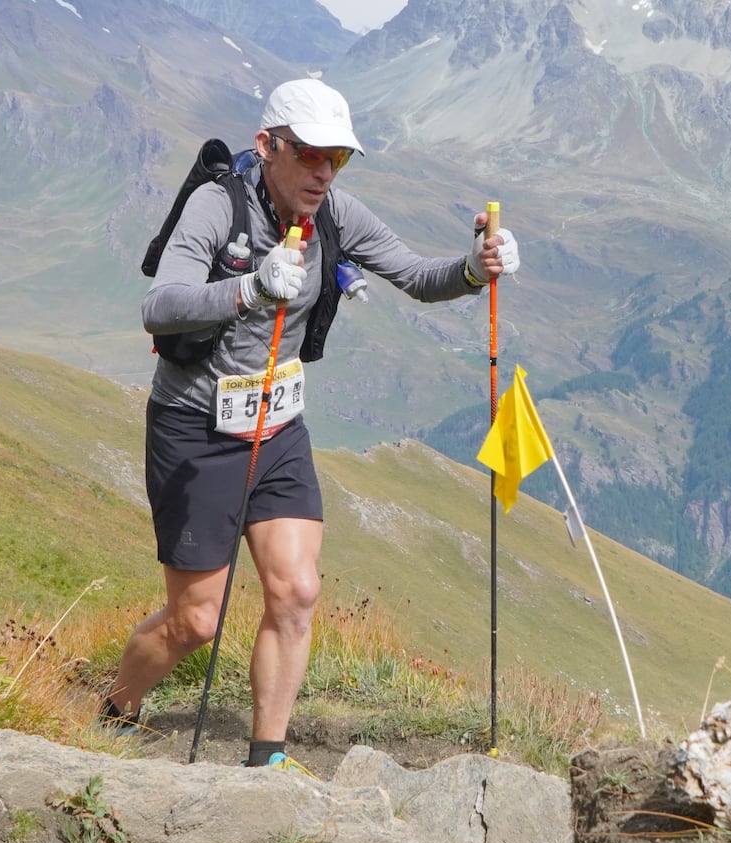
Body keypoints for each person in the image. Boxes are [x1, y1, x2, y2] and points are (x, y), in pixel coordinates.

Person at [102, 77, 518, 769]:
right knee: (196, 620)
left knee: (296, 592)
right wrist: (250, 287)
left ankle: (267, 760)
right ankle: (117, 708)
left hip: (278, 428)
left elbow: (419, 276)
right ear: (268, 146)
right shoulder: (217, 206)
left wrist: (475, 268)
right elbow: (161, 306)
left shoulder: (335, 213)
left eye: (339, 158)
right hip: (195, 427)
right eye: (311, 154)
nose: (325, 172)